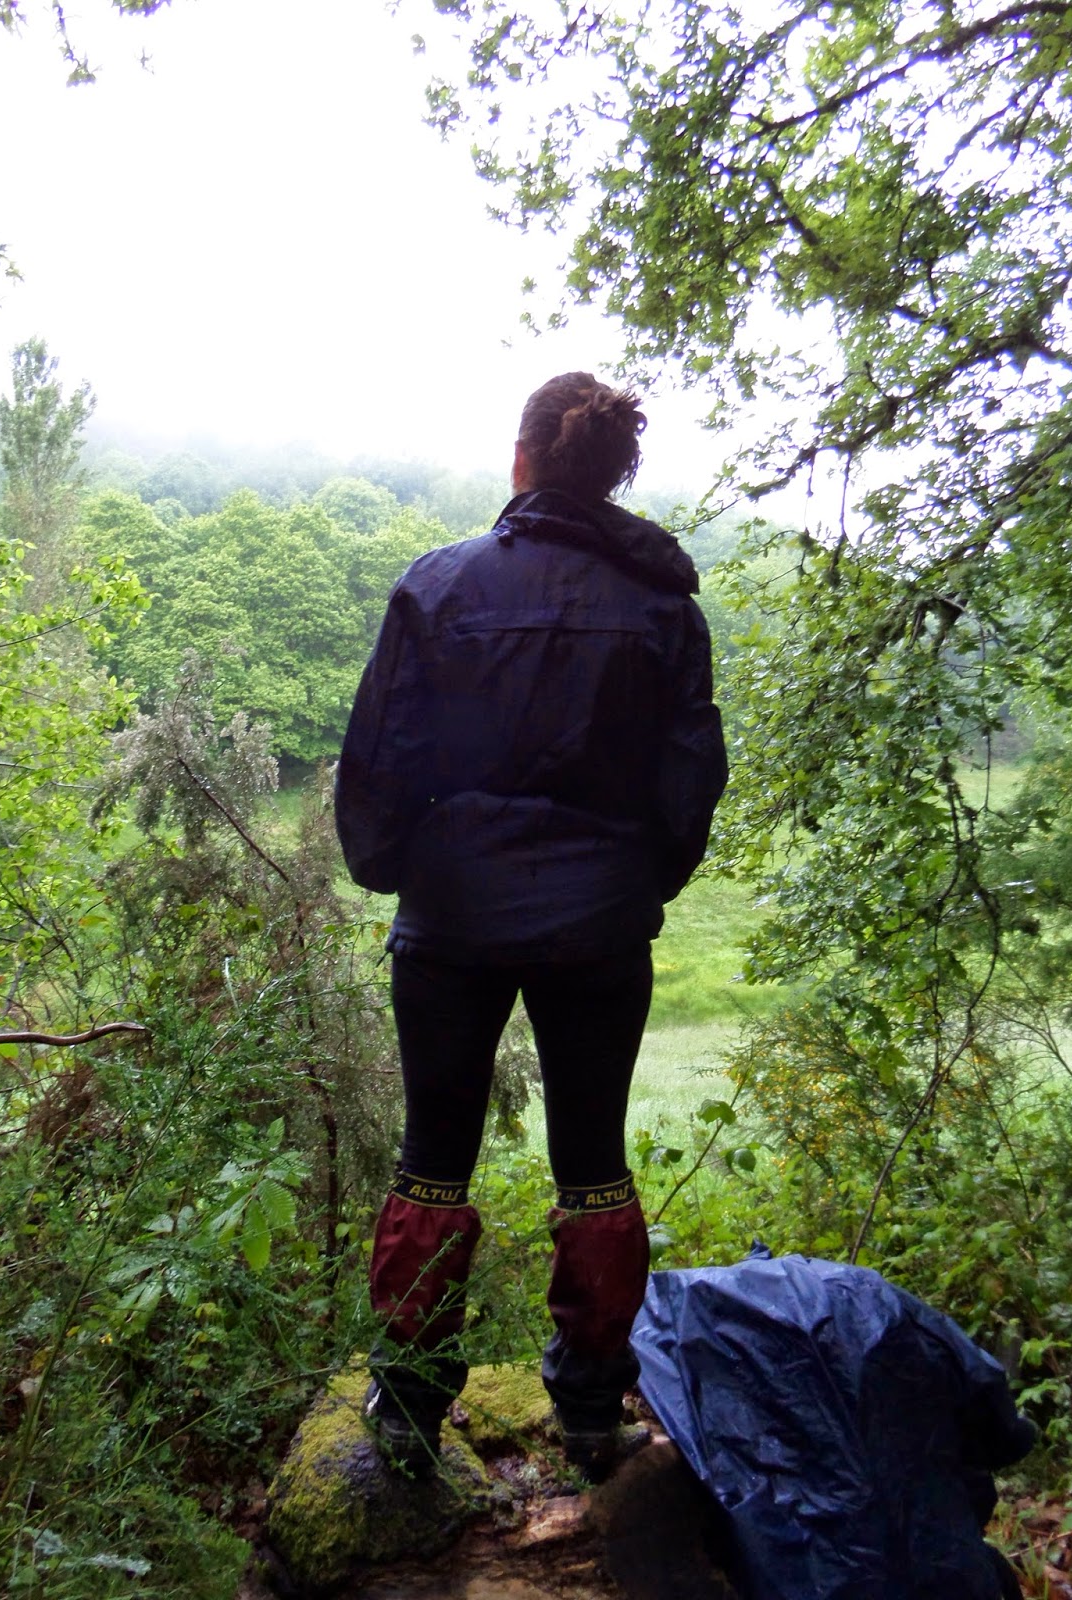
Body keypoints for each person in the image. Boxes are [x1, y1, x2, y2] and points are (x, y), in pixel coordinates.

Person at [335, 371, 727, 1476]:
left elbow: (379, 757)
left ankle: (407, 1409)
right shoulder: (664, 609)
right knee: (594, 1162)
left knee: (430, 1161)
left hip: (451, 918)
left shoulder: (437, 587)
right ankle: (594, 1411)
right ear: (610, 479)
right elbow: (691, 776)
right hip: (600, 923)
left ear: (521, 463)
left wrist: (398, 871)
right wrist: (637, 884)